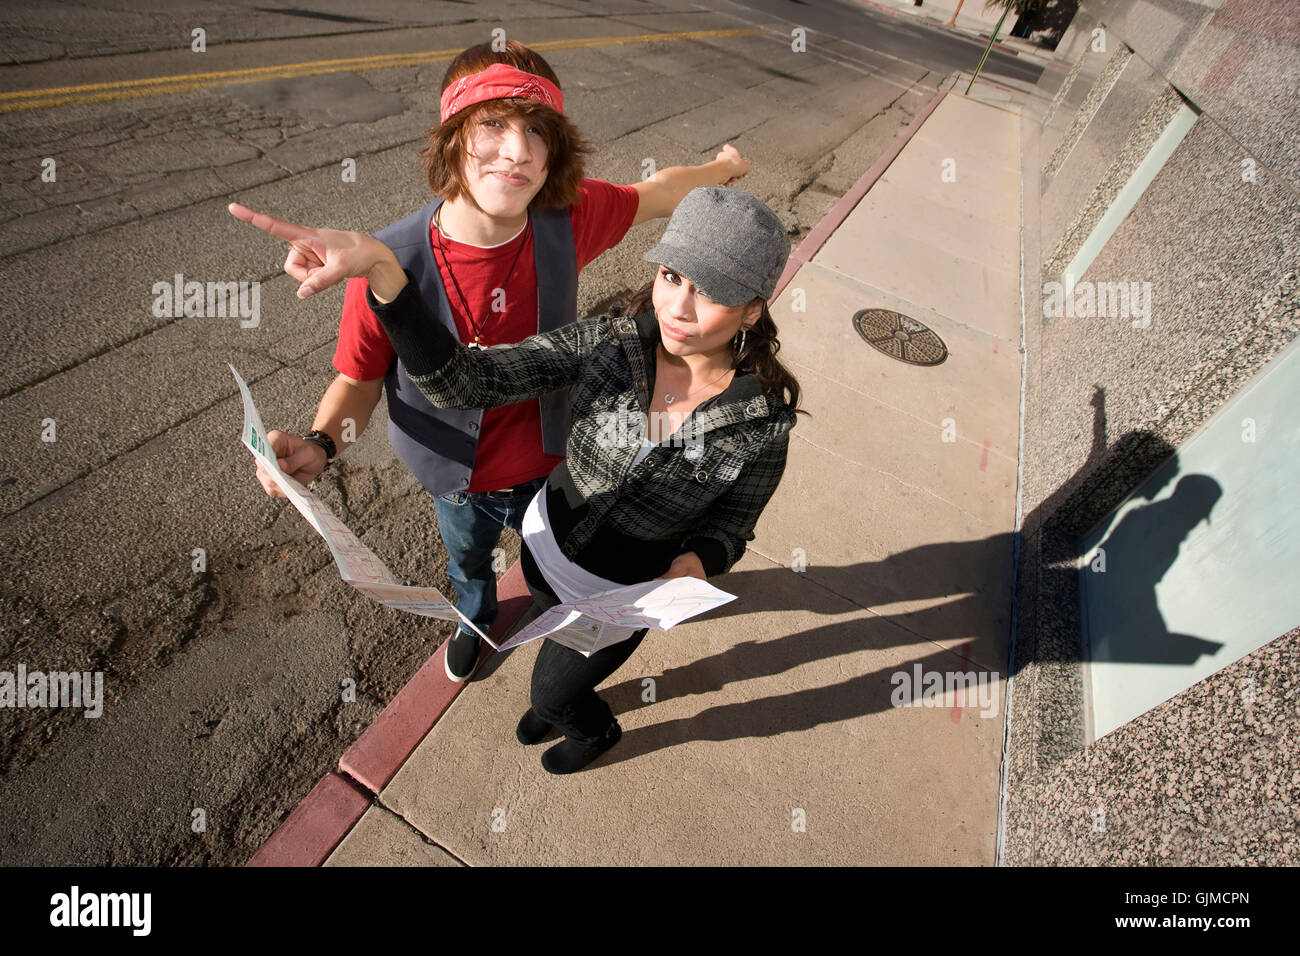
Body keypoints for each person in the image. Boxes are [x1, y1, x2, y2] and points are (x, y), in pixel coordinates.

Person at [230, 186, 804, 774]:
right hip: (546, 551)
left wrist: (698, 562)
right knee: (539, 624)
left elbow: (734, 523)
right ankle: (555, 699)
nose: (678, 308)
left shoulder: (761, 423)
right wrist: (385, 275)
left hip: (619, 598)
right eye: (671, 276)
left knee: (553, 693)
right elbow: (464, 383)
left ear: (752, 310)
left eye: (708, 293)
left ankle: (589, 729)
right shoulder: (611, 344)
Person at [249, 40, 751, 684]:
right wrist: (320, 445)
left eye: (537, 130)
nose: (518, 151)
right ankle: (475, 615)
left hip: (554, 461)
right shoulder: (384, 264)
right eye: (493, 123)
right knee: (468, 559)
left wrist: (720, 167)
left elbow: (656, 192)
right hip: (456, 479)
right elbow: (358, 378)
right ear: (455, 137)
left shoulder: (566, 220)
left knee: (559, 564)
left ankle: (557, 617)